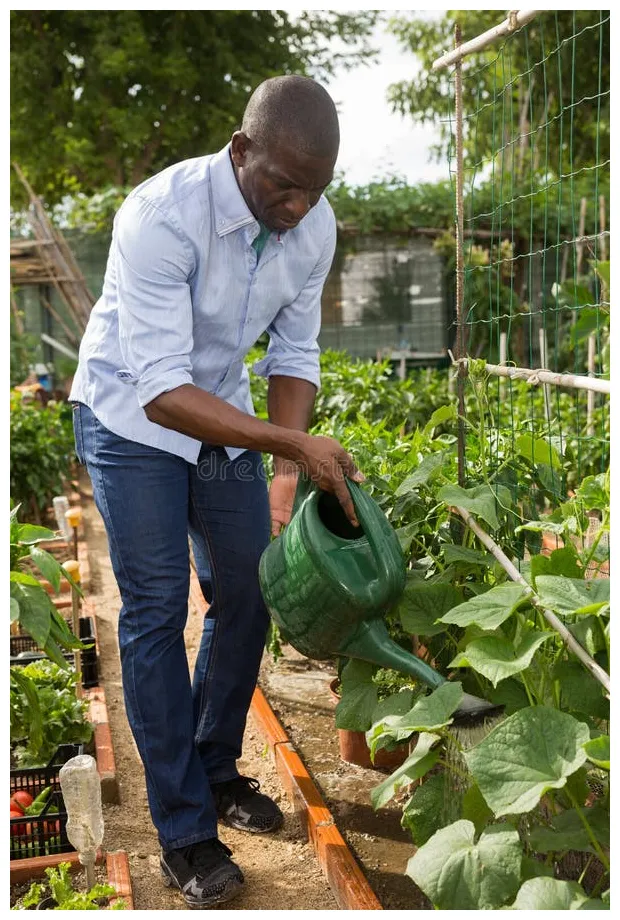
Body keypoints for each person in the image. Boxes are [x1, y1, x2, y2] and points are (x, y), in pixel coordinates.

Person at [69, 74, 363, 909]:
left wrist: (280, 476)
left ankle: (214, 764)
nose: (298, 206)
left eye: (315, 191)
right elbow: (162, 390)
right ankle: (185, 832)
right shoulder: (160, 215)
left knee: (250, 584)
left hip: (225, 417)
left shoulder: (312, 225)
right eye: (282, 184)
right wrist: (293, 446)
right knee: (159, 608)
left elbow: (294, 356)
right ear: (241, 152)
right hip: (131, 414)